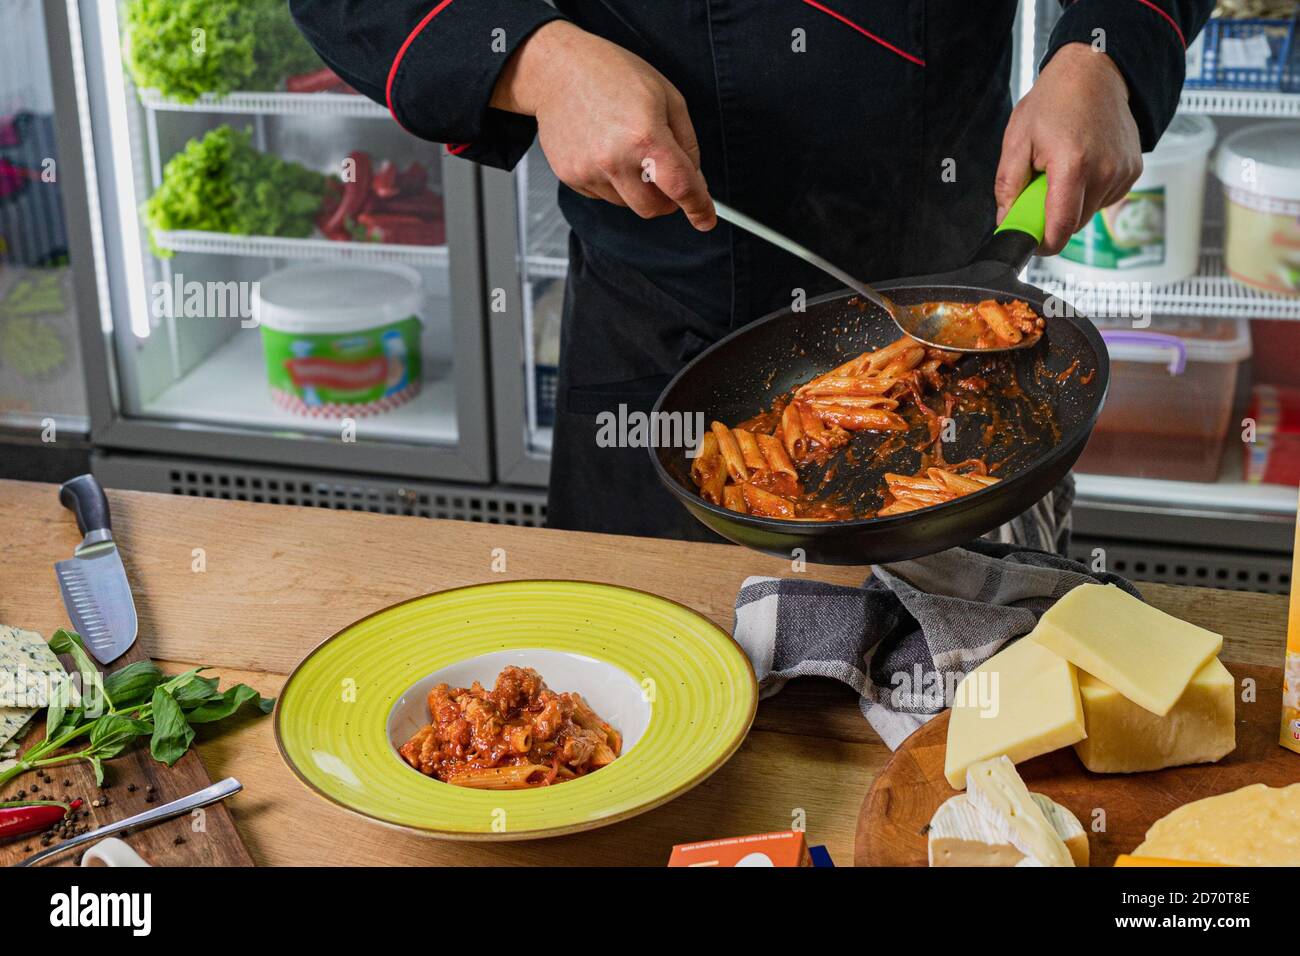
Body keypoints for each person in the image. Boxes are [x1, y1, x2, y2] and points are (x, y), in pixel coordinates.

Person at [290, 0, 1212, 541]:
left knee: (973, 758)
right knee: (640, 719)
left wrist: (1107, 47)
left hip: (948, 301)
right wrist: (533, 57)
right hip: (658, 318)